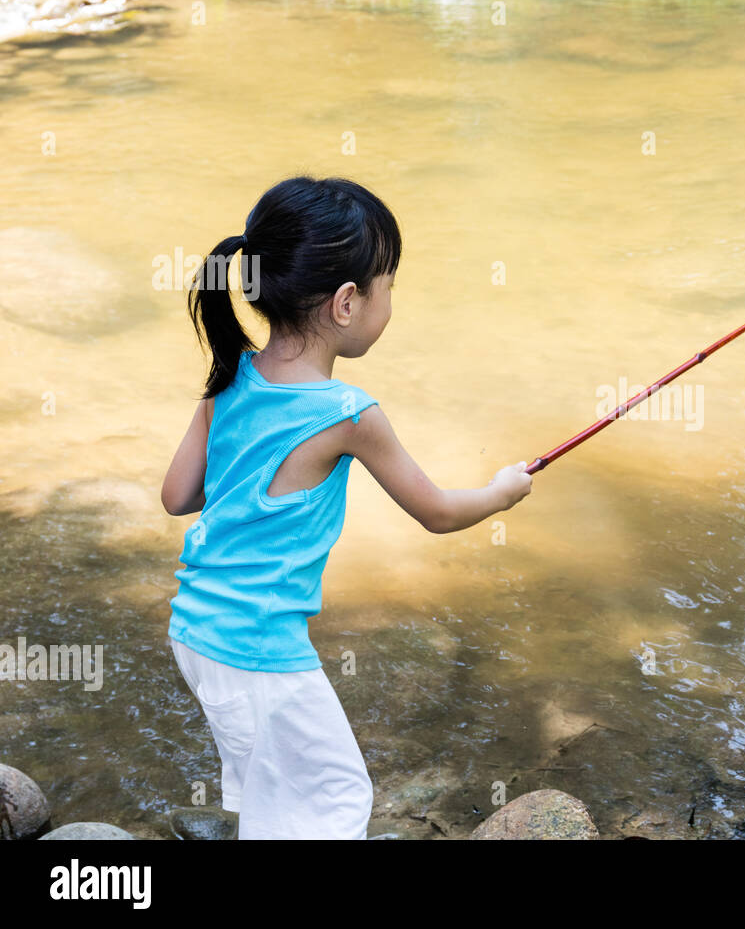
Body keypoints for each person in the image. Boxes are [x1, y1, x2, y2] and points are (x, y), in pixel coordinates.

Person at [160, 176, 532, 839]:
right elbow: (439, 512)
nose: (392, 300)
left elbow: (177, 497)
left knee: (277, 802)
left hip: (197, 630)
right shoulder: (348, 414)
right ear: (347, 302)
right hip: (256, 645)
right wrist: (502, 492)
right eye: (390, 283)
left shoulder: (231, 374)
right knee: (336, 800)